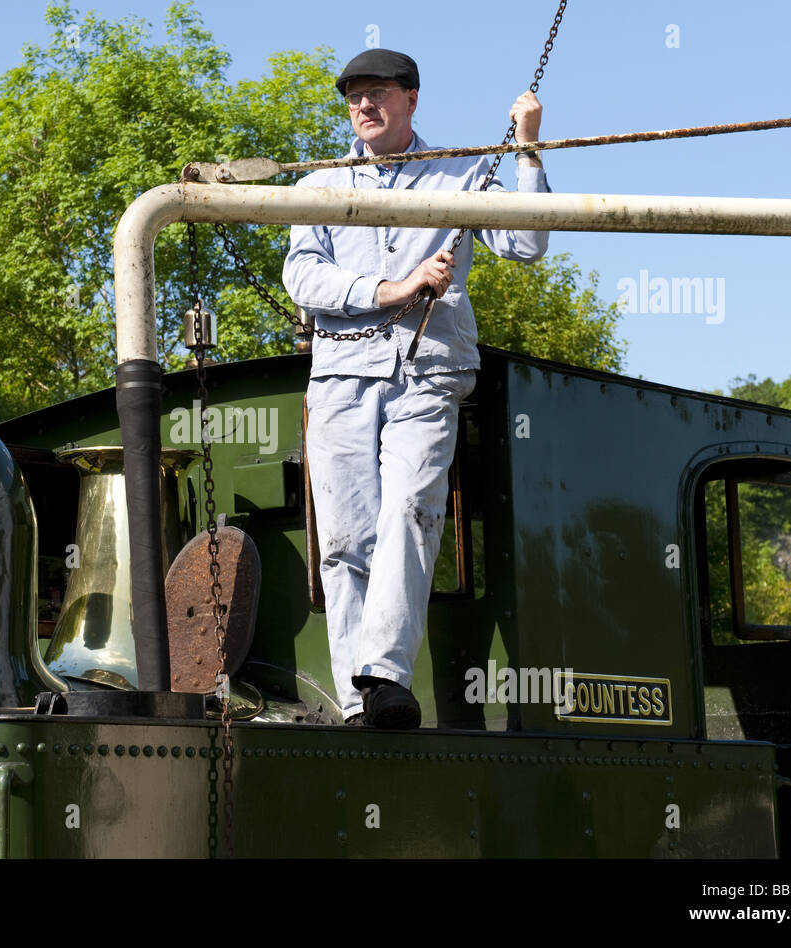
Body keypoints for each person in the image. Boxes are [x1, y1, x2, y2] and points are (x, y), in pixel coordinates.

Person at [282, 49, 550, 728]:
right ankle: (357, 704)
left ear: (412, 100)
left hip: (427, 371)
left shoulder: (461, 175)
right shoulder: (317, 187)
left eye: (378, 93)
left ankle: (384, 677)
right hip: (342, 374)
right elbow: (303, 279)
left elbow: (527, 246)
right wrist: (392, 289)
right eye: (354, 97)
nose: (364, 106)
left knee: (410, 510)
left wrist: (526, 150)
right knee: (344, 541)